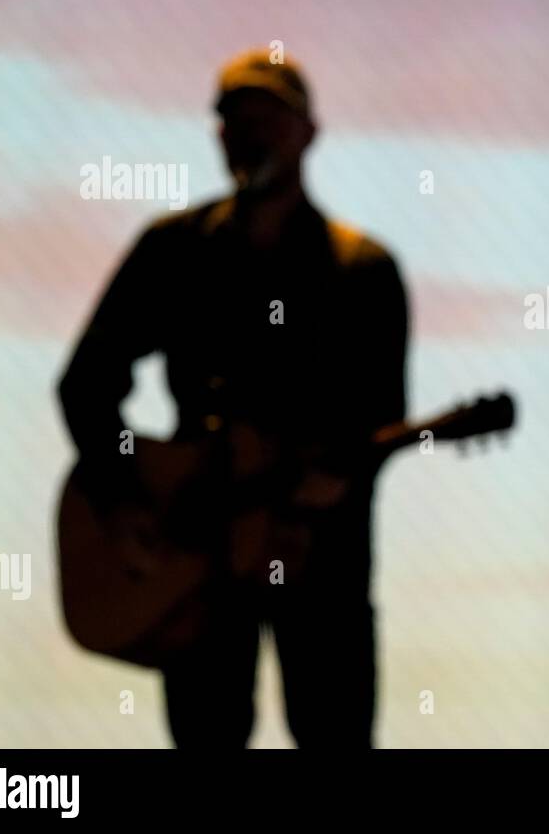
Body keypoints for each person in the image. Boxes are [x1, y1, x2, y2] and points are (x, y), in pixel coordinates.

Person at [58, 49, 408, 747]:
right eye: (236, 121)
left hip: (323, 566)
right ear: (217, 136)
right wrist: (128, 499)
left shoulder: (362, 271)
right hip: (199, 563)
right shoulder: (174, 251)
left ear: (309, 132)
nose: (251, 135)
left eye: (268, 118)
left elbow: (380, 423)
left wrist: (325, 490)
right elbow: (88, 382)